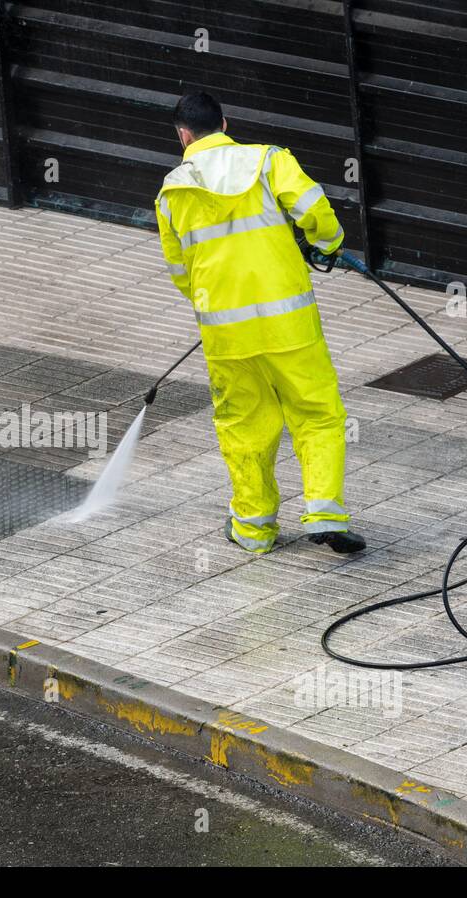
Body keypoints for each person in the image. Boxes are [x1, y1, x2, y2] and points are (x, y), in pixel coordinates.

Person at [155, 90, 365, 555]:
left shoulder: (171, 192)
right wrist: (327, 245)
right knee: (316, 413)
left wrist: (218, 306)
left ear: (184, 136)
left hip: (227, 334)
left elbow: (180, 272)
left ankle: (252, 530)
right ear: (225, 124)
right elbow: (315, 209)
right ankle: (325, 511)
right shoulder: (269, 161)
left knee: (244, 425)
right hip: (289, 325)